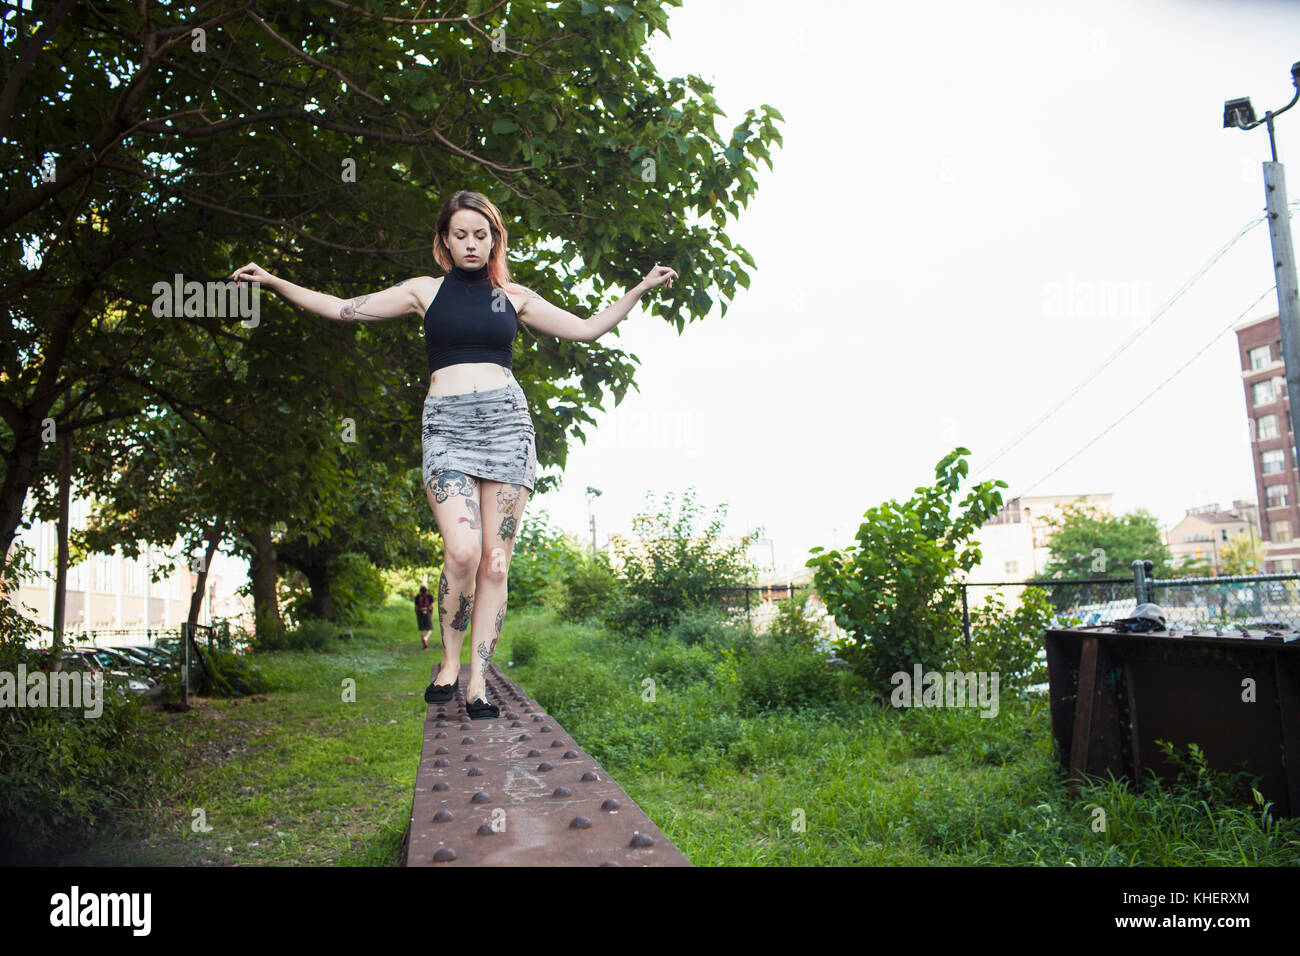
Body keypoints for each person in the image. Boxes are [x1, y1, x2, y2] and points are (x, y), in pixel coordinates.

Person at [232, 190, 676, 719]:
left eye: (480, 235)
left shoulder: (515, 297)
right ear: (444, 240)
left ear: (494, 240)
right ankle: (448, 661)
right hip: (446, 427)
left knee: (495, 561)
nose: (471, 243)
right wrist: (276, 282)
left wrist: (638, 290)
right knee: (463, 551)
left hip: (508, 428)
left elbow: (586, 328)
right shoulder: (423, 291)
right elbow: (344, 309)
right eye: (460, 234)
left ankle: (478, 682)